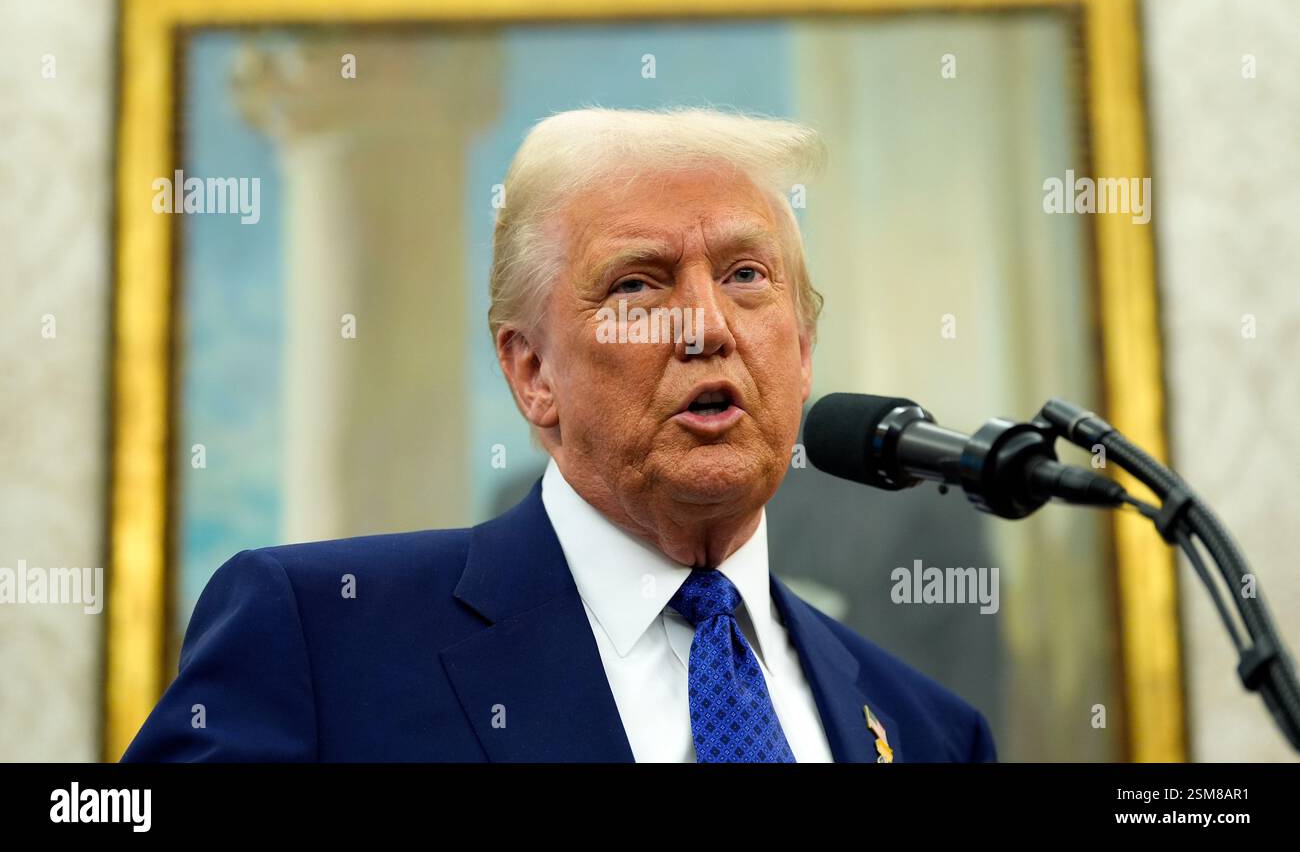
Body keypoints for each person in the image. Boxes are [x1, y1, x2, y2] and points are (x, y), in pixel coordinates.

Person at [121, 107, 996, 762]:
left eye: (745, 275)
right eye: (636, 286)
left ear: (802, 354)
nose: (707, 326)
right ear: (533, 372)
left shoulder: (929, 728)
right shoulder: (319, 636)